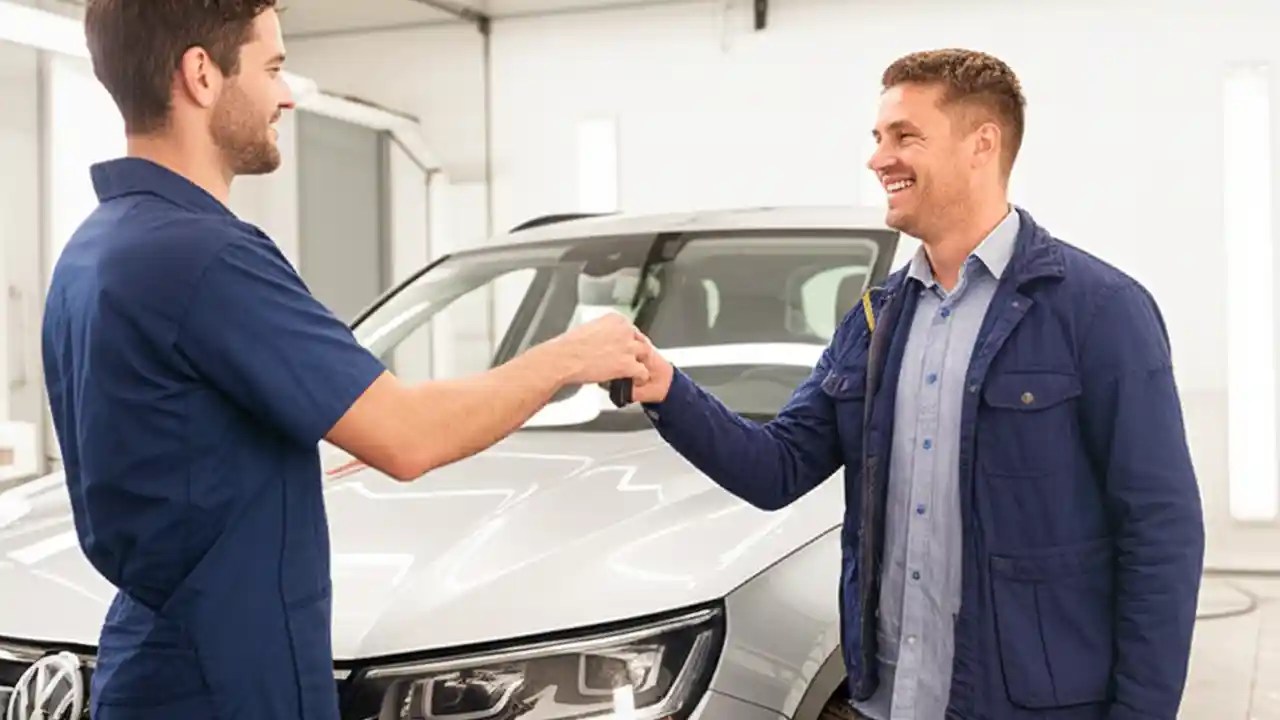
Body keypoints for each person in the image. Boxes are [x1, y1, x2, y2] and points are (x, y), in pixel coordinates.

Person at [40, 2, 649, 718]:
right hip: (231, 683)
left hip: (153, 664)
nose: (288, 95)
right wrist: (570, 357)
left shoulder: (95, 250)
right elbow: (409, 437)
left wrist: (294, 460)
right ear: (201, 74)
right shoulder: (205, 255)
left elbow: (168, 444)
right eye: (272, 67)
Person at [631, 48, 1204, 719]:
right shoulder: (876, 320)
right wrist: (661, 383)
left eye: (905, 136)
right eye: (878, 138)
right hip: (892, 701)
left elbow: (1161, 532)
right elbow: (776, 468)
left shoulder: (1098, 310)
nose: (879, 158)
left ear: (980, 145)